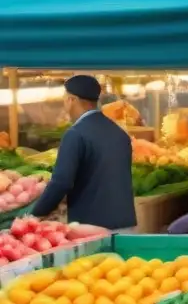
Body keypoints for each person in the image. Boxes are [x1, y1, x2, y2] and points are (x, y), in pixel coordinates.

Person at [32, 75, 136, 230]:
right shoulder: (119, 133)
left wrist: (37, 213)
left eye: (65, 99)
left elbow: (62, 182)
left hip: (93, 227)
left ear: (72, 100)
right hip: (126, 224)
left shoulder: (76, 134)